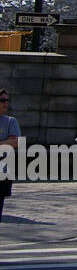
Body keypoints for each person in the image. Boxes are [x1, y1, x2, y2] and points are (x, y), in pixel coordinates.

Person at [0, 89, 19, 222]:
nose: (6, 103)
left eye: (7, 100)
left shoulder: (10, 121)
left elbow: (15, 142)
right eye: (2, 100)